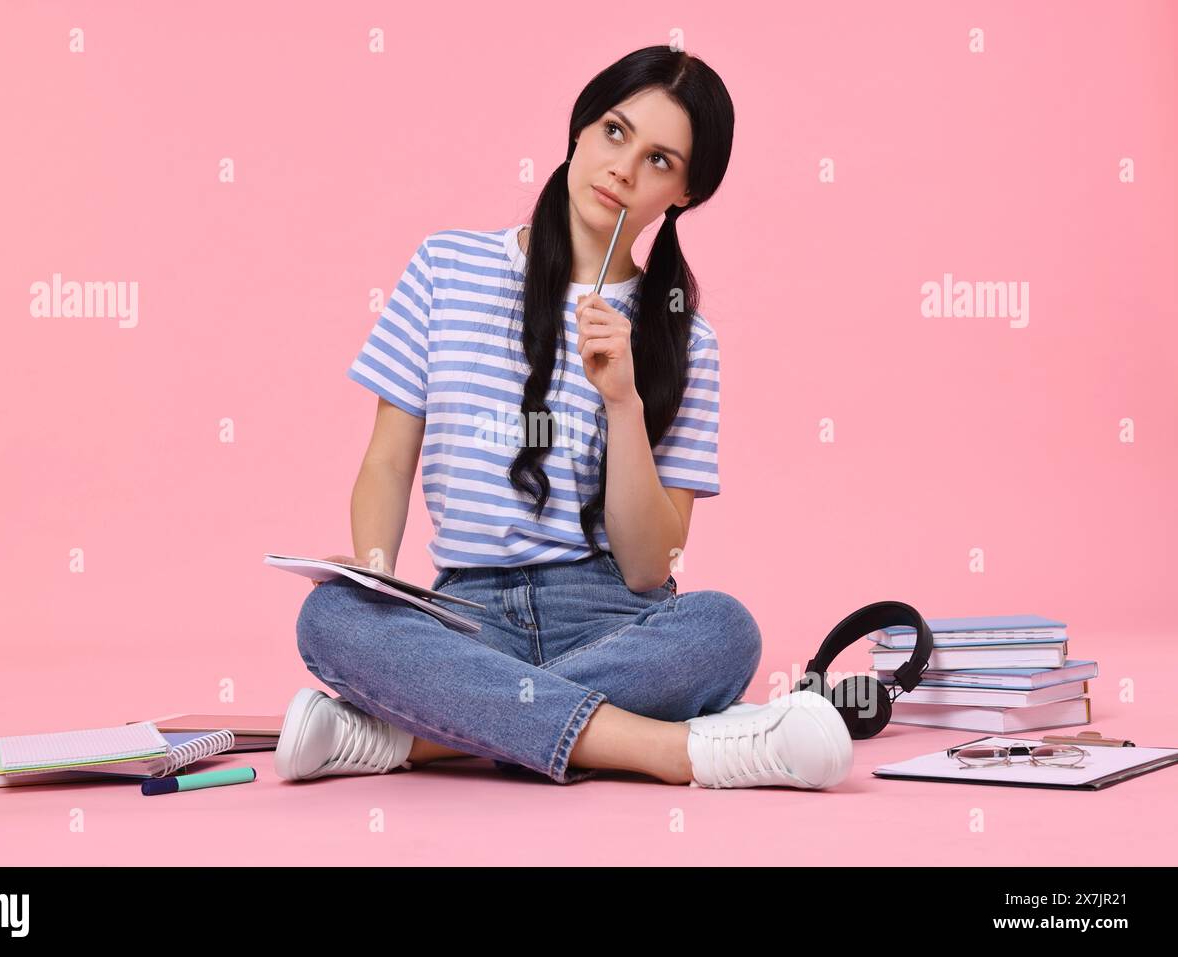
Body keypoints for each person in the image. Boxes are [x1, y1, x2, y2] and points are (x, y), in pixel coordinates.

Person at [276, 45, 854, 789]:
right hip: (463, 615)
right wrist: (379, 578)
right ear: (580, 129)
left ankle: (413, 736)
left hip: (612, 614)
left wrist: (624, 401)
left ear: (684, 193)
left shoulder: (685, 338)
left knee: (723, 630)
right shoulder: (444, 267)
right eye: (615, 132)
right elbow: (388, 462)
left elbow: (651, 567)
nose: (623, 168)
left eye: (659, 160)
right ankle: (682, 751)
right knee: (333, 617)